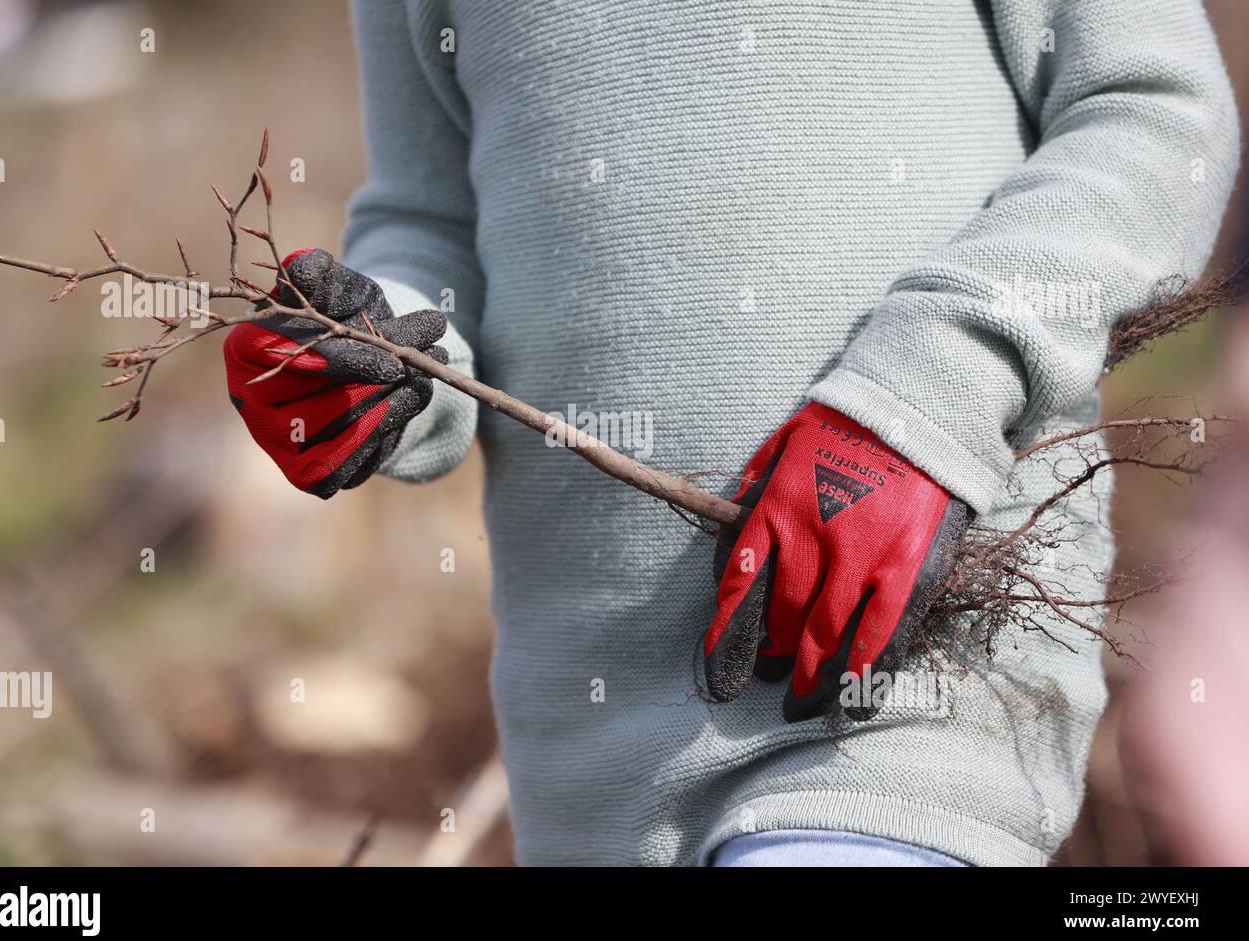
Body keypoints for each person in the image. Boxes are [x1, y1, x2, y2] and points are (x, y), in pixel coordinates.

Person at [223, 0, 1239, 866]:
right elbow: (432, 216)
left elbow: (1156, 113)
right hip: (584, 748)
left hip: (897, 684)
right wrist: (381, 358)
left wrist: (925, 397)